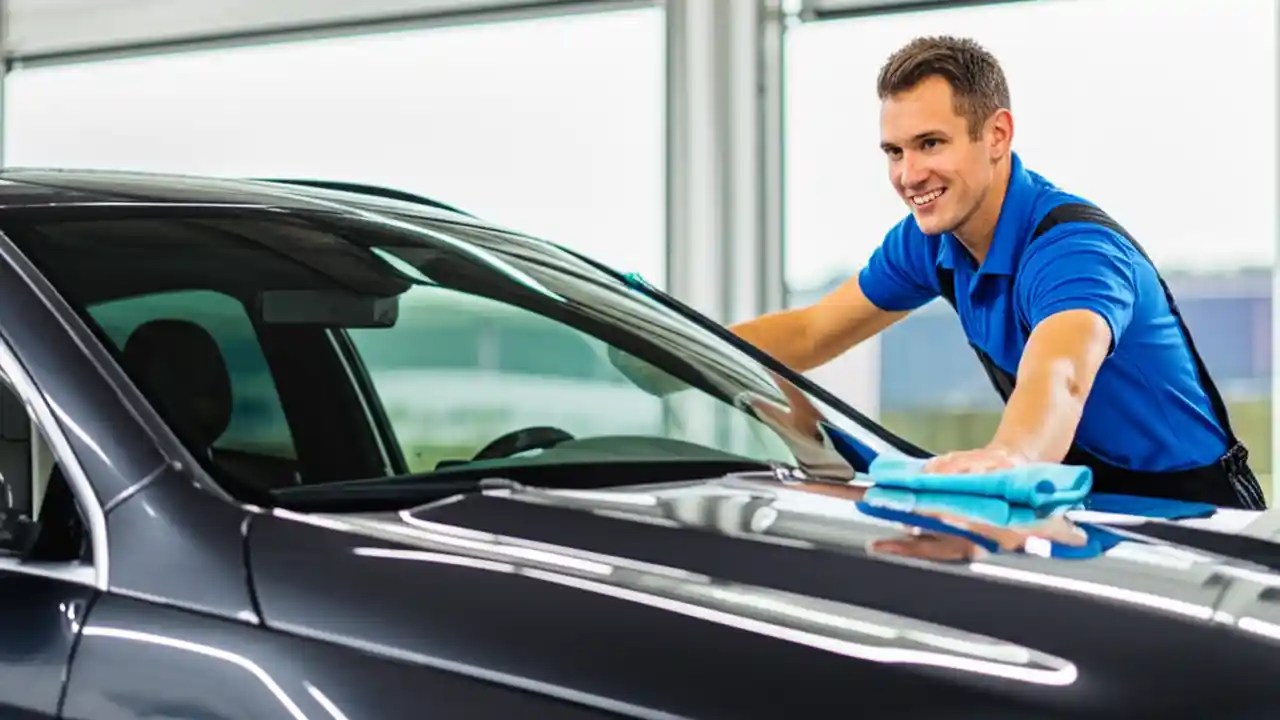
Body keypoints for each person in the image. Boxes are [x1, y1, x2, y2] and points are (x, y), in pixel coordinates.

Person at [729, 35, 1266, 510]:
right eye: (894, 151)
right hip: (1078, 500)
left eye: (930, 144)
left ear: (997, 136)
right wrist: (660, 355)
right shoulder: (929, 240)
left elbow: (1062, 375)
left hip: (1197, 508)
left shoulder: (1075, 251)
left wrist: (1010, 454)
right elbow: (810, 332)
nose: (908, 175)